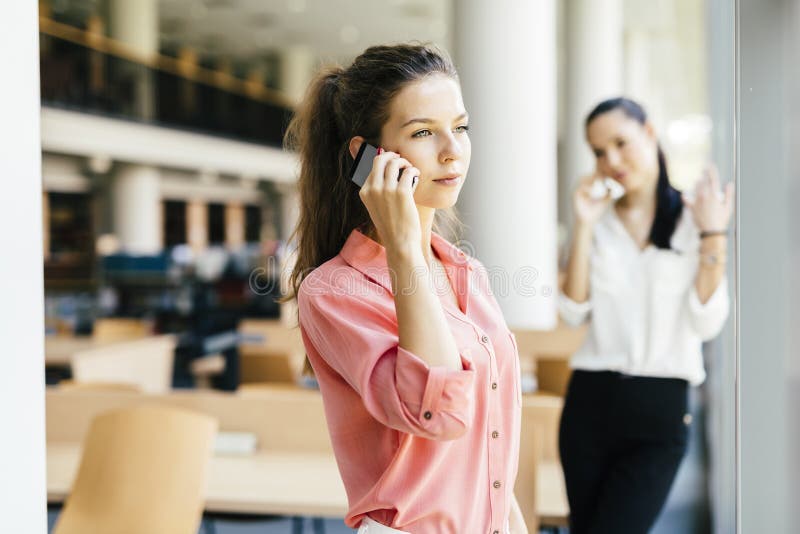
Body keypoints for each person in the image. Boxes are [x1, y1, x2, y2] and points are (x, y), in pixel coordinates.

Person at [284, 44, 528, 534]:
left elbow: (488, 449)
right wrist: (401, 247)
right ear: (366, 157)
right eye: (422, 132)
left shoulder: (467, 272)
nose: (451, 149)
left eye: (460, 127)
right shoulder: (333, 291)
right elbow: (435, 413)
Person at [558, 97, 734, 533]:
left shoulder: (693, 220)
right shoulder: (597, 222)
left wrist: (713, 236)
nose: (612, 159)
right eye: (599, 151)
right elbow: (573, 311)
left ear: (650, 134)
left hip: (660, 410)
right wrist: (581, 224)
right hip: (589, 404)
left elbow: (706, 322)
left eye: (621, 142)